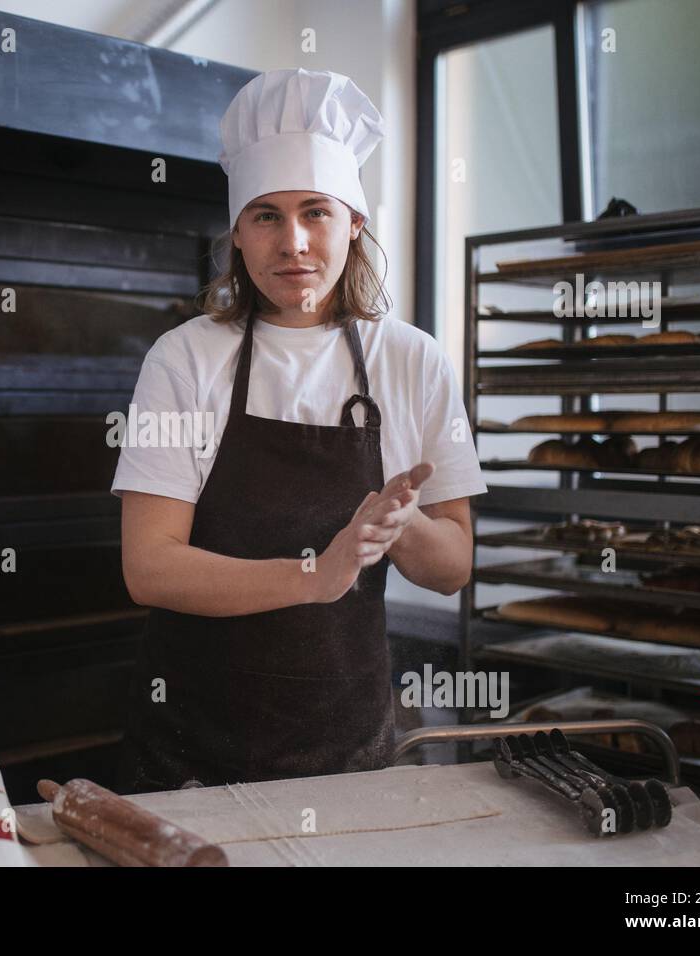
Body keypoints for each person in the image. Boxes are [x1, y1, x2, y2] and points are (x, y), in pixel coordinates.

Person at [110, 68, 488, 793]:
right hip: (191, 753)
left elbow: (454, 569)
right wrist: (318, 574)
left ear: (354, 223)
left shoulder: (413, 361)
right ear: (238, 235)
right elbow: (149, 568)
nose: (294, 242)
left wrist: (398, 524)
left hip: (347, 752)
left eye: (316, 211)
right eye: (266, 216)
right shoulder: (185, 357)